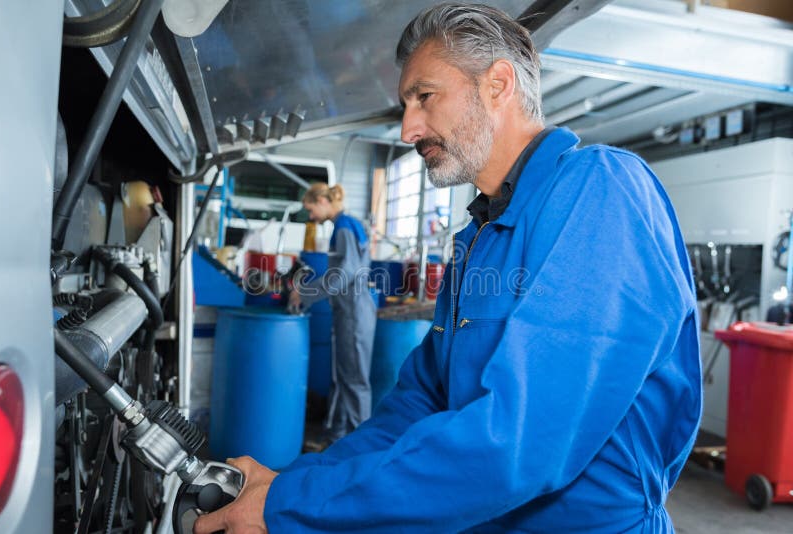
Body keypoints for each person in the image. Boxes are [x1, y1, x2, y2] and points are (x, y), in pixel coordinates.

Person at [194, 3, 702, 533]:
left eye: (425, 97)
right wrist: (293, 483)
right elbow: (415, 408)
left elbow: (520, 440)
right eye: (406, 105)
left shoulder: (599, 191)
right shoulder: (479, 237)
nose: (409, 128)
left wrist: (294, 506)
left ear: (498, 84)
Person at [287, 183, 377, 449]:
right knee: (342, 379)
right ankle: (337, 440)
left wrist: (305, 293)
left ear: (324, 201)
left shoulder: (344, 226)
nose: (311, 216)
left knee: (355, 381)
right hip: (348, 310)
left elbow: (343, 274)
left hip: (354, 312)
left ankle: (360, 448)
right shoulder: (347, 224)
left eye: (311, 209)